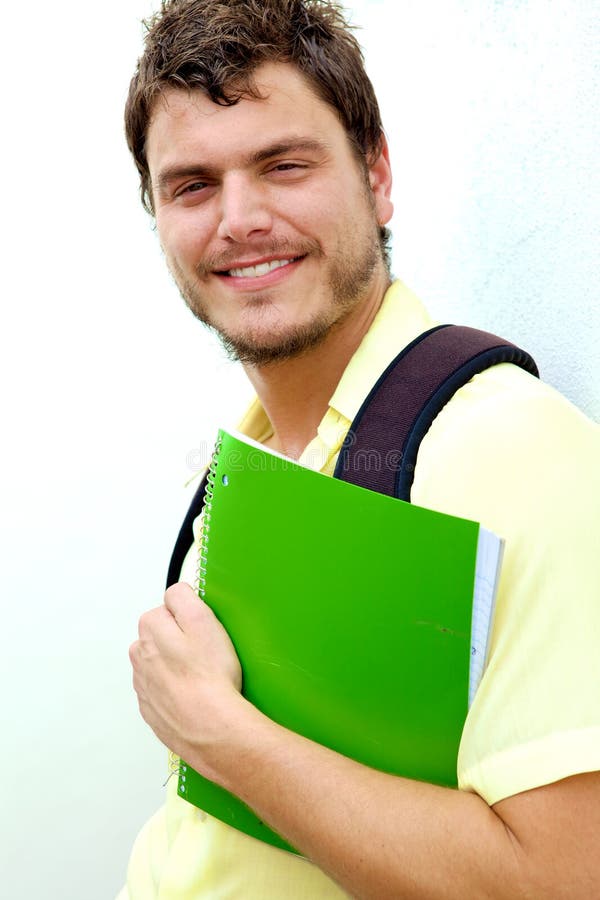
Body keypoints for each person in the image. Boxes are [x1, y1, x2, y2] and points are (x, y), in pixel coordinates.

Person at [121, 1, 600, 897]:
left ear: (377, 176)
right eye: (192, 185)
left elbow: (565, 878)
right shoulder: (242, 458)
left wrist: (214, 730)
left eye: (283, 165)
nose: (239, 218)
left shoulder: (514, 448)